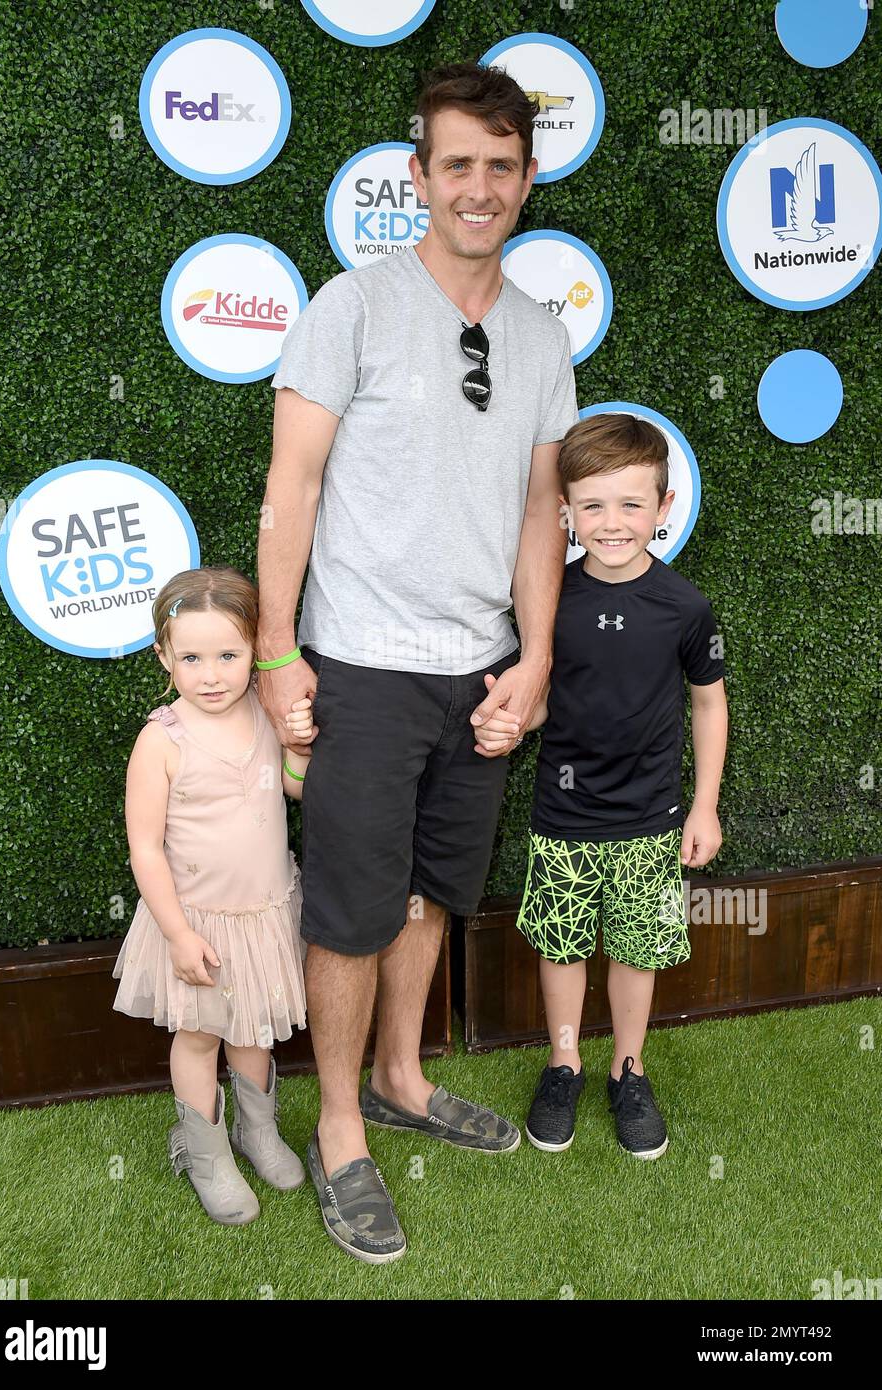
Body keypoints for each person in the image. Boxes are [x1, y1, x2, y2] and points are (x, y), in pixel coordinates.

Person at [255, 62, 579, 1262]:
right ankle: (341, 1126)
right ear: (420, 177)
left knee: (432, 893)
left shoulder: (545, 335)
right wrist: (281, 653)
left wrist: (535, 656)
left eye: (502, 166)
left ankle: (400, 1075)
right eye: (459, 165)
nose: (480, 188)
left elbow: (542, 510)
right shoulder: (353, 306)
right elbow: (290, 489)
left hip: (483, 672)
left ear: (527, 178)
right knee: (347, 914)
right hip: (364, 666)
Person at [517, 413, 729, 1159]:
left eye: (632, 504)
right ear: (567, 511)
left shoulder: (684, 606)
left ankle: (627, 1070)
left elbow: (708, 702)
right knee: (564, 945)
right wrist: (508, 711)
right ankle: (564, 1062)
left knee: (636, 952)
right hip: (561, 815)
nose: (612, 523)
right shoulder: (546, 601)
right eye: (594, 505)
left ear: (664, 508)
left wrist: (702, 805)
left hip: (650, 820)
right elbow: (535, 697)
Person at [112, 565, 312, 1224]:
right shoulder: (160, 741)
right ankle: (206, 1154)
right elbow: (144, 847)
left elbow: (294, 790)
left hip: (264, 910)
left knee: (253, 1027)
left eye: (228, 655)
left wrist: (301, 748)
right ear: (163, 656)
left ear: (255, 649)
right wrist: (177, 933)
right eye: (192, 657)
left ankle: (257, 1131)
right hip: (196, 922)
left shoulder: (262, 711)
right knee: (200, 1034)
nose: (212, 674)